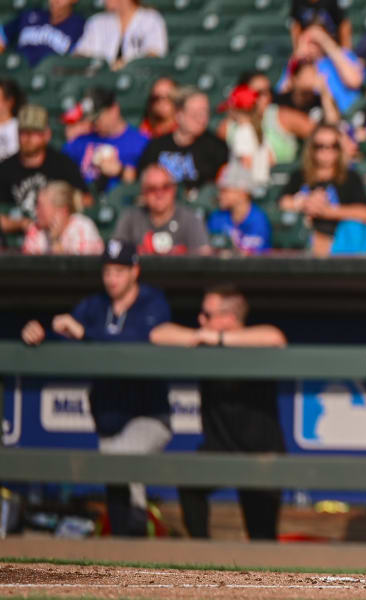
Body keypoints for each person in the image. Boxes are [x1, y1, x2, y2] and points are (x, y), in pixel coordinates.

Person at [20, 241, 173, 538]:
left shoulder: (153, 302)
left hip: (150, 414)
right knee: (115, 485)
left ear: (134, 271)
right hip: (108, 415)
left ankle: (138, 528)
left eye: (119, 271)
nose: (112, 278)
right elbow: (65, 336)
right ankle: (123, 556)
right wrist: (40, 334)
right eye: (107, 271)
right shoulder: (95, 305)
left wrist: (86, 333)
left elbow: (140, 340)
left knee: (122, 460)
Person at [149, 286, 287, 541]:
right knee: (189, 483)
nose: (200, 320)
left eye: (206, 314)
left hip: (261, 453)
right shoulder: (205, 341)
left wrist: (220, 339)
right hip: (219, 447)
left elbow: (275, 337)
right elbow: (158, 334)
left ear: (229, 318)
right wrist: (203, 336)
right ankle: (202, 555)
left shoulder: (253, 341)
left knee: (262, 539)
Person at [278, 124, 366, 257]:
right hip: (306, 236)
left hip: (340, 240)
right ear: (311, 148)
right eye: (320, 146)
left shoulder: (350, 177)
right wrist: (304, 203)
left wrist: (326, 211)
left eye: (333, 145)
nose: (326, 151)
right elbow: (283, 201)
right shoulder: (300, 175)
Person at [1, 106, 88, 236]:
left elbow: (86, 199)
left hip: (58, 234)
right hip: (17, 241)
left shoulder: (62, 164)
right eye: (23, 132)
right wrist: (20, 224)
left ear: (46, 135)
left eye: (34, 132)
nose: (28, 138)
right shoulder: (6, 169)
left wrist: (60, 214)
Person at [74, 0, 168, 69]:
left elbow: (154, 54)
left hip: (140, 78)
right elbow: (80, 55)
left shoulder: (151, 19)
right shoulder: (97, 21)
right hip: (98, 79)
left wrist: (125, 64)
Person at [113, 164, 211, 255]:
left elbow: (203, 260)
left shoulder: (191, 220)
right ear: (143, 192)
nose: (159, 194)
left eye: (165, 187)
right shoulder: (130, 218)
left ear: (174, 189)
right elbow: (116, 255)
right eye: (152, 188)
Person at [137, 91, 229, 189]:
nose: (201, 119)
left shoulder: (217, 148)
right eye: (195, 113)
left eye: (205, 112)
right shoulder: (156, 146)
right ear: (179, 115)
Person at [64, 89, 149, 193]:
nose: (93, 124)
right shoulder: (80, 142)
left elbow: (151, 181)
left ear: (114, 110)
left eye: (97, 119)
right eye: (90, 120)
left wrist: (121, 171)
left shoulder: (141, 143)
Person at [0, 0, 85, 67]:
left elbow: (78, 63)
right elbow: (2, 38)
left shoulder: (81, 25)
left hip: (53, 80)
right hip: (16, 74)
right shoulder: (29, 15)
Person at [277, 25, 364, 118]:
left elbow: (355, 81)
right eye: (309, 41)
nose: (312, 46)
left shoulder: (341, 55)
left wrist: (325, 41)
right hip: (308, 117)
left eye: (315, 41)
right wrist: (298, 53)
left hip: (347, 116)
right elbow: (282, 94)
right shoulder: (298, 65)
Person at [22, 181, 102, 256]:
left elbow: (81, 268)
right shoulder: (35, 228)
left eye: (41, 206)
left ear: (61, 210)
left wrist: (56, 241)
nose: (36, 211)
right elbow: (26, 266)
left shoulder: (83, 227)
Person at [207, 164, 271, 254]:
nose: (220, 195)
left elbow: (255, 256)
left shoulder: (258, 219)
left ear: (242, 192)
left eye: (225, 190)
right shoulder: (217, 217)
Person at [219, 83, 274, 186]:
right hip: (262, 184)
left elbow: (246, 163)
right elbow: (271, 160)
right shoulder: (258, 129)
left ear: (235, 110)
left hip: (247, 187)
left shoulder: (242, 132)